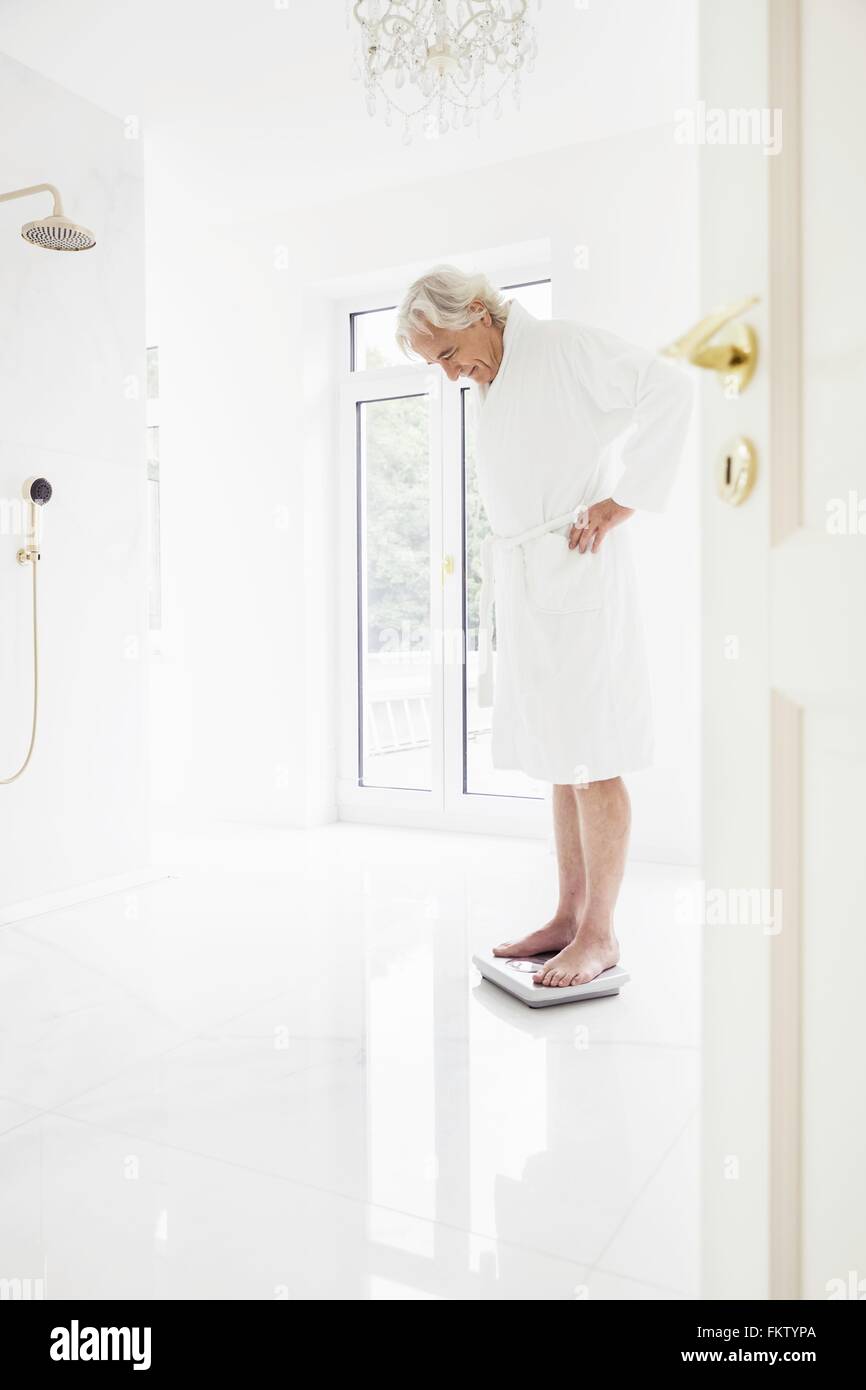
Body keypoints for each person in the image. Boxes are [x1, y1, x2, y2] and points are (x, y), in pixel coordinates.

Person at [396, 266, 693, 988]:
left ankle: (601, 934)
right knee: (561, 756)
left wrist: (623, 500)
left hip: (578, 574)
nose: (449, 374)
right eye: (437, 364)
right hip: (532, 582)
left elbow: (671, 387)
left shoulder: (562, 348)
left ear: (477, 310)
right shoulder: (495, 378)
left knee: (594, 754)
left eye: (447, 354)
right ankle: (567, 916)